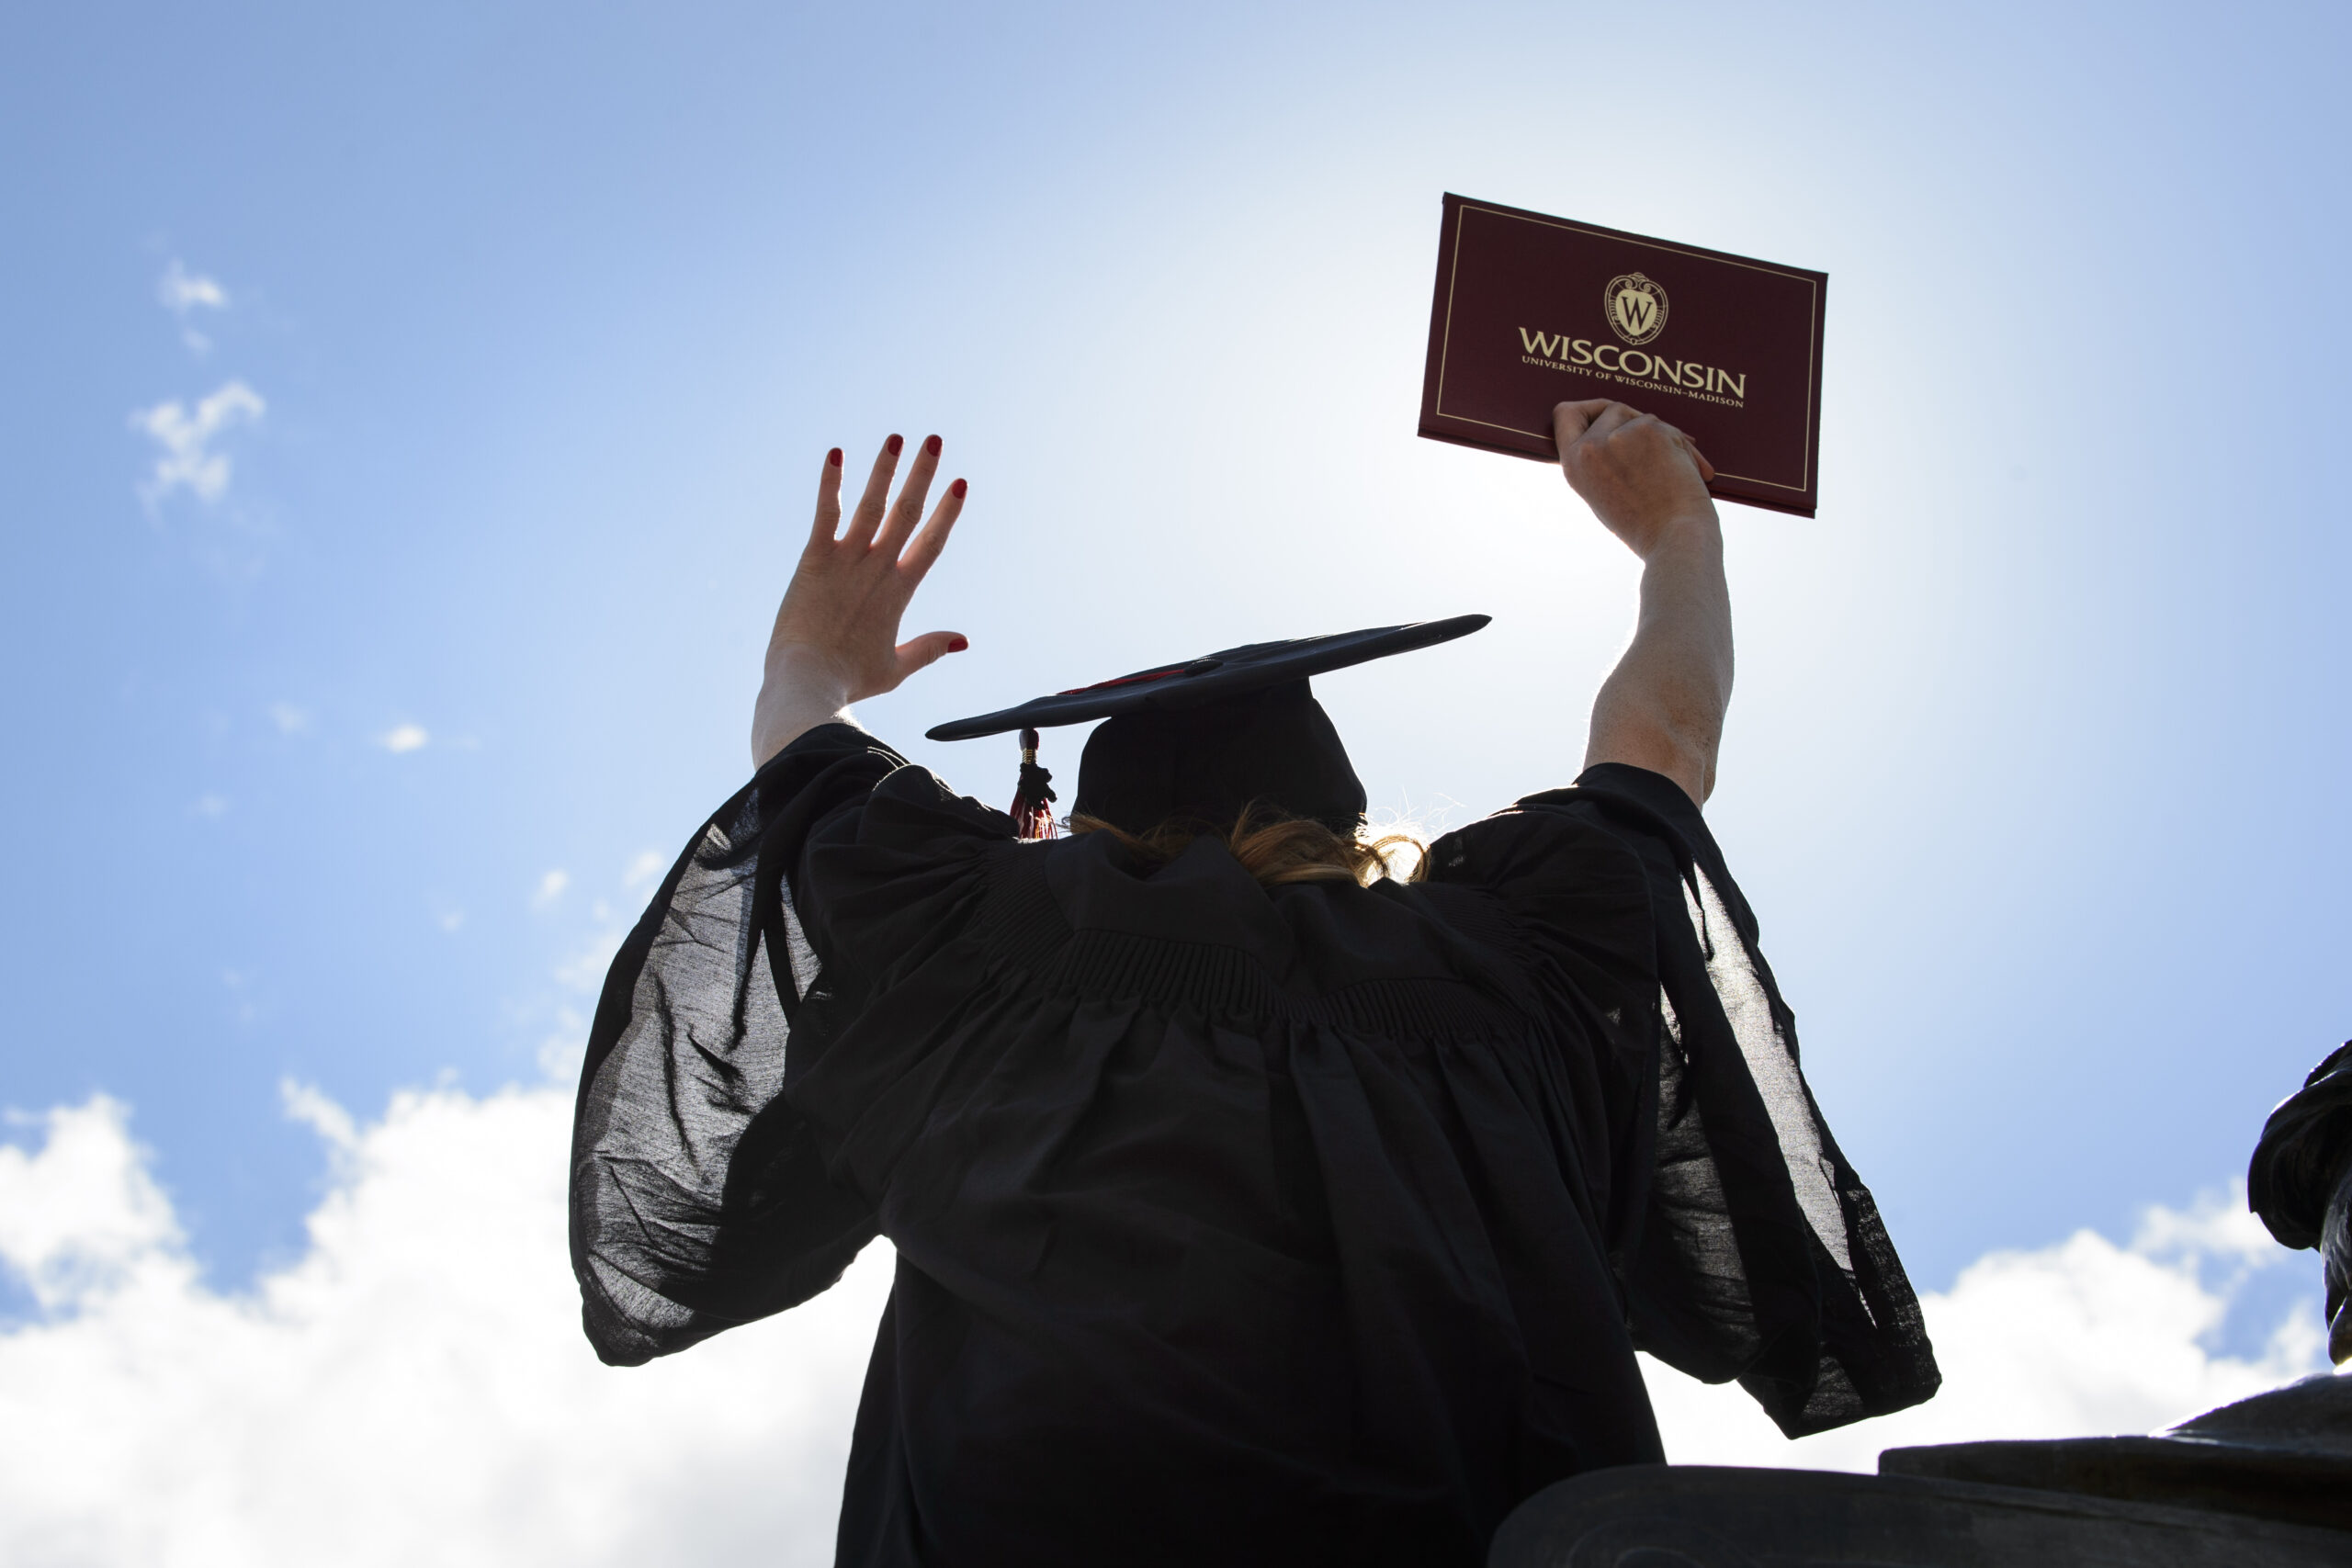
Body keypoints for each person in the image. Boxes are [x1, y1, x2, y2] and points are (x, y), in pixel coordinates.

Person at [569, 405, 1939, 1567]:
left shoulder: (974, 939)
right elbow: (1661, 747)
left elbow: (803, 767)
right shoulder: (1521, 959)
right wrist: (1678, 534)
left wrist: (813, 657)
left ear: (1087, 820)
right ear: (1347, 818)